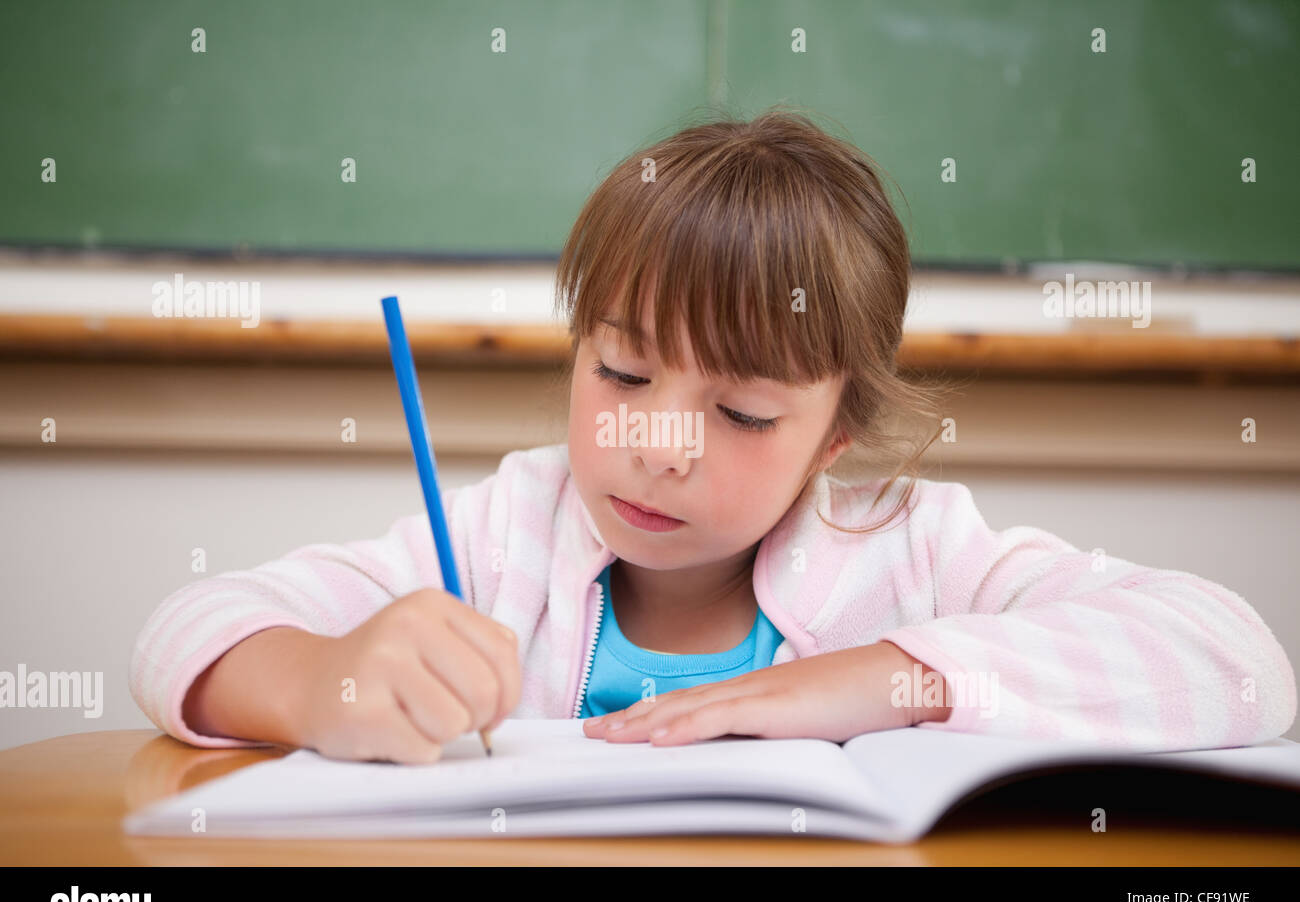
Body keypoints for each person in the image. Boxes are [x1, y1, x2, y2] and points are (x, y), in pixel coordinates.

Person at [130, 108, 1297, 764]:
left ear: (837, 433)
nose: (657, 439)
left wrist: (879, 680)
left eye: (741, 411)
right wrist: (325, 677)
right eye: (623, 368)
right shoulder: (498, 534)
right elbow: (187, 630)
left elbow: (1239, 659)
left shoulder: (917, 549)